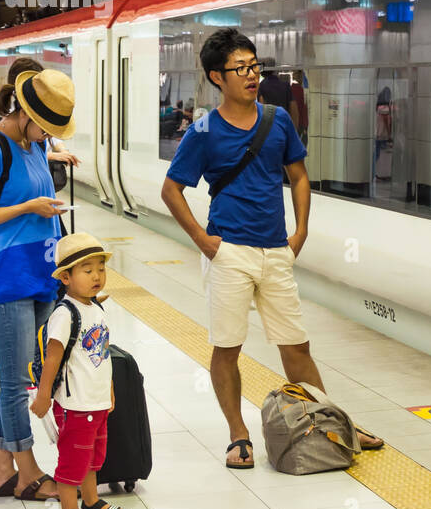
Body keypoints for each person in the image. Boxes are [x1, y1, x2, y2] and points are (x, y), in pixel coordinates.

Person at [160, 28, 382, 468]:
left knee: (296, 345)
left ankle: (333, 423)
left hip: (276, 251)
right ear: (215, 77)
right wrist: (204, 241)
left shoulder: (277, 119)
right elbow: (171, 190)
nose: (251, 75)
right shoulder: (203, 132)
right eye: (239, 68)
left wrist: (299, 233)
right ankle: (238, 434)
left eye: (254, 66)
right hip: (230, 254)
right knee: (228, 348)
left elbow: (298, 175)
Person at [0, 69, 75, 502]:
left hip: (41, 273)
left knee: (20, 374)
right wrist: (28, 206)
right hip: (7, 277)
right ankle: (27, 472)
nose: (50, 134)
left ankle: (0, 471)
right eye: (46, 125)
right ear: (24, 112)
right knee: (16, 384)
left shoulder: (36, 143)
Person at [30, 233, 123, 509]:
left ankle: (91, 502)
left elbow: (101, 356)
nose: (97, 276)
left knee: (93, 458)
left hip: (96, 401)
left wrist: (108, 393)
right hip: (75, 405)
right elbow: (53, 359)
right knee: (73, 461)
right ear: (66, 278)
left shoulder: (95, 308)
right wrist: (44, 396)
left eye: (100, 268)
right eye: (88, 270)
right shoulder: (64, 313)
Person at [5, 58, 81, 173]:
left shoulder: (36, 136)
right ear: (24, 113)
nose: (48, 136)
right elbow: (17, 155)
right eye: (44, 131)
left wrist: (63, 151)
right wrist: (52, 156)